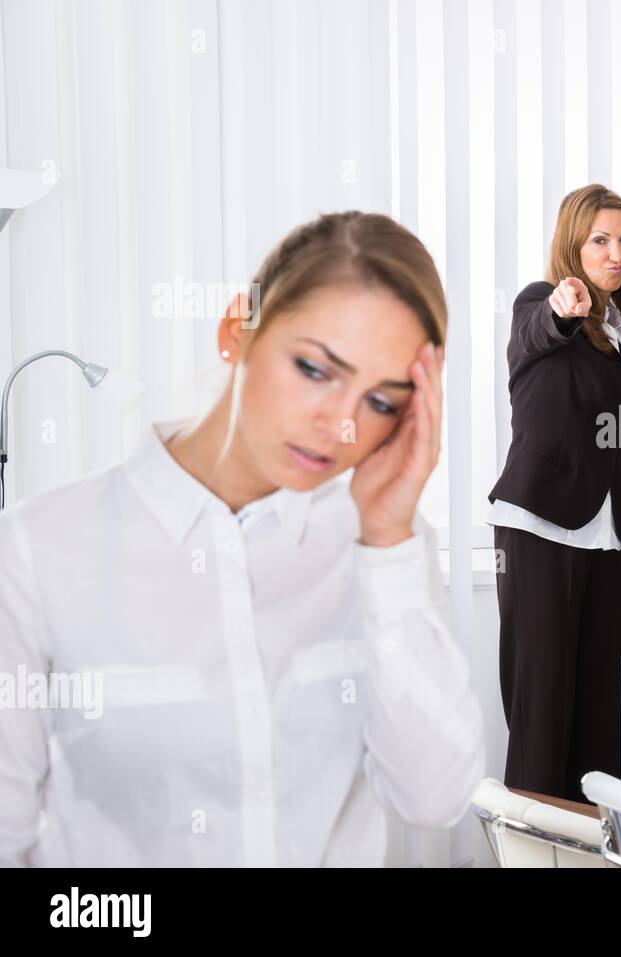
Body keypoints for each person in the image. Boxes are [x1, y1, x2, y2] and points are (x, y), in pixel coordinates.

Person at [0, 211, 484, 866]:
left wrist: (388, 538)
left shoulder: (384, 548)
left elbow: (434, 799)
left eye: (380, 401)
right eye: (314, 368)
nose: (339, 423)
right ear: (238, 329)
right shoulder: (36, 552)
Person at [487, 184, 621, 804]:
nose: (616, 253)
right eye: (600, 240)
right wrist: (563, 308)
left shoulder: (619, 334)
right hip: (538, 532)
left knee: (597, 729)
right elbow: (539, 329)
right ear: (572, 247)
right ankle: (531, 847)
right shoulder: (541, 303)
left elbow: (614, 464)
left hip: (601, 544)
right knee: (541, 720)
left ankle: (588, 847)